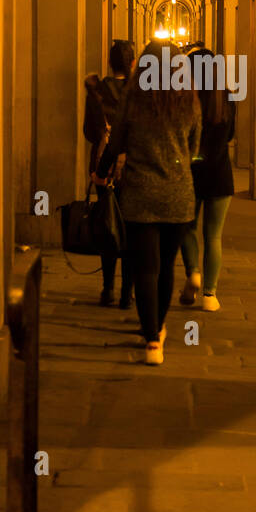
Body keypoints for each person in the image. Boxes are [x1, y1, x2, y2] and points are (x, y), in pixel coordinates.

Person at [94, 40, 201, 365]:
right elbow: (194, 148)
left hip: (140, 193)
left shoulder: (134, 99)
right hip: (178, 195)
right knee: (166, 266)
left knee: (146, 267)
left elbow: (116, 145)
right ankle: (159, 327)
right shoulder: (189, 101)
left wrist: (101, 173)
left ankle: (152, 338)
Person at [179, 47, 235, 312]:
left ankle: (193, 273)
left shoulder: (186, 98)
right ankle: (210, 295)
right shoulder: (227, 97)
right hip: (221, 174)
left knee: (187, 228)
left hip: (191, 174)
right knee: (214, 236)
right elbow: (231, 134)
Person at [83, 40, 135, 307]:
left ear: (110, 62)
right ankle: (128, 293)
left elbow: (89, 132)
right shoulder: (138, 90)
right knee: (129, 228)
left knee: (107, 224)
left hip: (103, 165)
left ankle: (108, 289)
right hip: (131, 167)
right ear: (132, 62)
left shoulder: (98, 92)